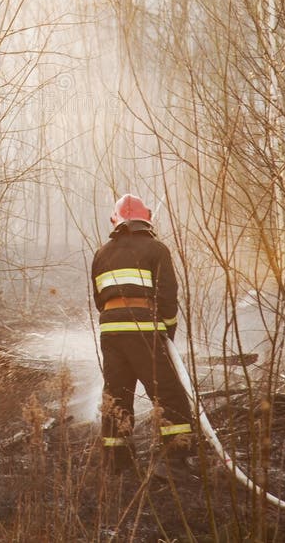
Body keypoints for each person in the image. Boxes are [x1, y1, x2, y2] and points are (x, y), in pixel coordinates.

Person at [91, 193, 193, 478]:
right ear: (145, 219)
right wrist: (166, 333)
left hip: (110, 330)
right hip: (144, 329)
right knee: (169, 393)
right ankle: (173, 460)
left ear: (116, 221)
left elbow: (99, 299)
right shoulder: (157, 250)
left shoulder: (102, 253)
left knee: (116, 395)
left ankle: (116, 462)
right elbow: (167, 298)